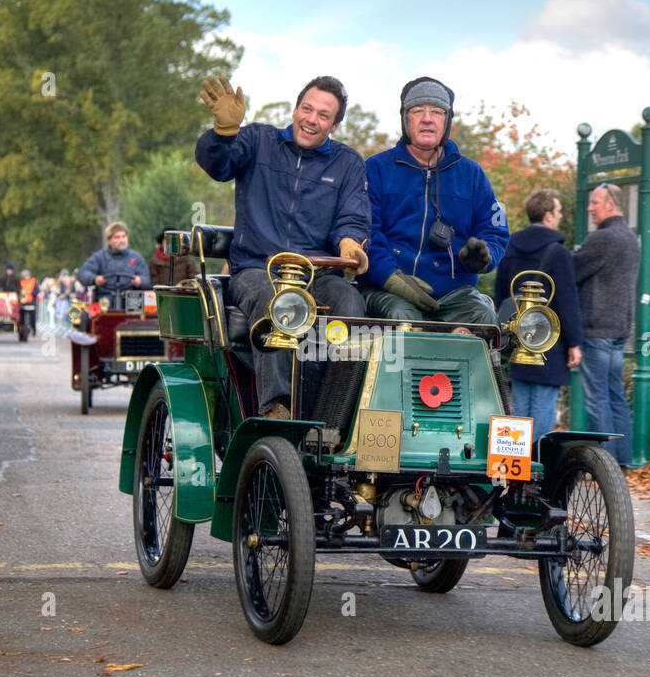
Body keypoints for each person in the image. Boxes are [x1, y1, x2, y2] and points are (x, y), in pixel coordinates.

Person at [195, 73, 370, 418]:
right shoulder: (258, 140)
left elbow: (353, 215)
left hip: (315, 274)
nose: (311, 119)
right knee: (280, 300)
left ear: (334, 125)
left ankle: (333, 414)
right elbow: (217, 164)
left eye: (323, 115)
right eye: (307, 108)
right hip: (257, 268)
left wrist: (349, 242)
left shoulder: (348, 164)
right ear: (295, 109)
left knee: (350, 300)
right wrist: (222, 133)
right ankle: (277, 406)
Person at [364, 77, 509, 324]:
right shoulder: (376, 169)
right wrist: (390, 277)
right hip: (389, 289)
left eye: (437, 111)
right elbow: (366, 230)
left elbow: (495, 230)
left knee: (485, 319)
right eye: (418, 110)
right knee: (403, 319)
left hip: (456, 295)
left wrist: (485, 257)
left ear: (447, 121)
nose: (427, 118)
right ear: (405, 119)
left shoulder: (472, 174)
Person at [494, 189, 582, 441]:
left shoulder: (510, 247)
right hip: (548, 343)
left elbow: (501, 295)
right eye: (559, 211)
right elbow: (567, 300)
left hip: (518, 338)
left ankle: (518, 467)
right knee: (543, 406)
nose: (561, 216)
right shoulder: (558, 253)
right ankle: (539, 468)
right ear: (548, 215)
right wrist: (575, 342)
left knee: (519, 407)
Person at [573, 182, 641, 469]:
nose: (590, 208)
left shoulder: (602, 239)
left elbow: (572, 270)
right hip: (619, 329)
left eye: (595, 202)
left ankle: (607, 467)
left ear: (611, 204)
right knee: (615, 396)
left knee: (596, 398)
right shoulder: (630, 238)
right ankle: (623, 459)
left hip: (597, 327)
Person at [78, 223, 151, 303]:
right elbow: (82, 273)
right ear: (109, 240)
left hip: (131, 302)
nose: (121, 240)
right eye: (117, 237)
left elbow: (148, 279)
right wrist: (95, 279)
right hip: (105, 301)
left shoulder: (136, 257)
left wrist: (141, 281)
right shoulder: (99, 257)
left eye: (124, 236)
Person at [18, 269, 39, 335]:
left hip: (31, 302)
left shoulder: (33, 281)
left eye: (26, 275)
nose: (25, 277)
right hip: (23, 302)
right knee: (22, 317)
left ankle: (33, 329)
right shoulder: (21, 282)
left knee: (32, 317)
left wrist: (31, 292)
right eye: (24, 276)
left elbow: (37, 290)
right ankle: (24, 330)